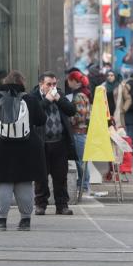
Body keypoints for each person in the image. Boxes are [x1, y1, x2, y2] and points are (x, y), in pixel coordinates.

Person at [0, 70, 46, 231]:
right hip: (27, 148)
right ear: (22, 83)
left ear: (5, 82)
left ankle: (1, 221)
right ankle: (25, 221)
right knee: (25, 183)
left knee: (3, 183)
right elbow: (41, 120)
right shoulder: (30, 99)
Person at [33, 72, 77, 215]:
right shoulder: (33, 96)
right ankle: (41, 204)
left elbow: (71, 111)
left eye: (54, 84)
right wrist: (46, 100)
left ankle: (62, 205)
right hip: (41, 143)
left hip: (59, 142)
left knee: (60, 176)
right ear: (41, 84)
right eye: (49, 84)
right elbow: (33, 114)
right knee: (41, 177)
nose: (52, 87)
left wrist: (59, 99)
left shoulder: (59, 95)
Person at [65, 69, 92, 198]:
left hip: (78, 132)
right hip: (80, 132)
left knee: (81, 161)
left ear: (74, 81)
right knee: (81, 161)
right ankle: (84, 185)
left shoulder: (79, 96)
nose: (67, 83)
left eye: (69, 81)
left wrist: (68, 119)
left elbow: (80, 116)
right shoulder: (83, 93)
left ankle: (84, 186)